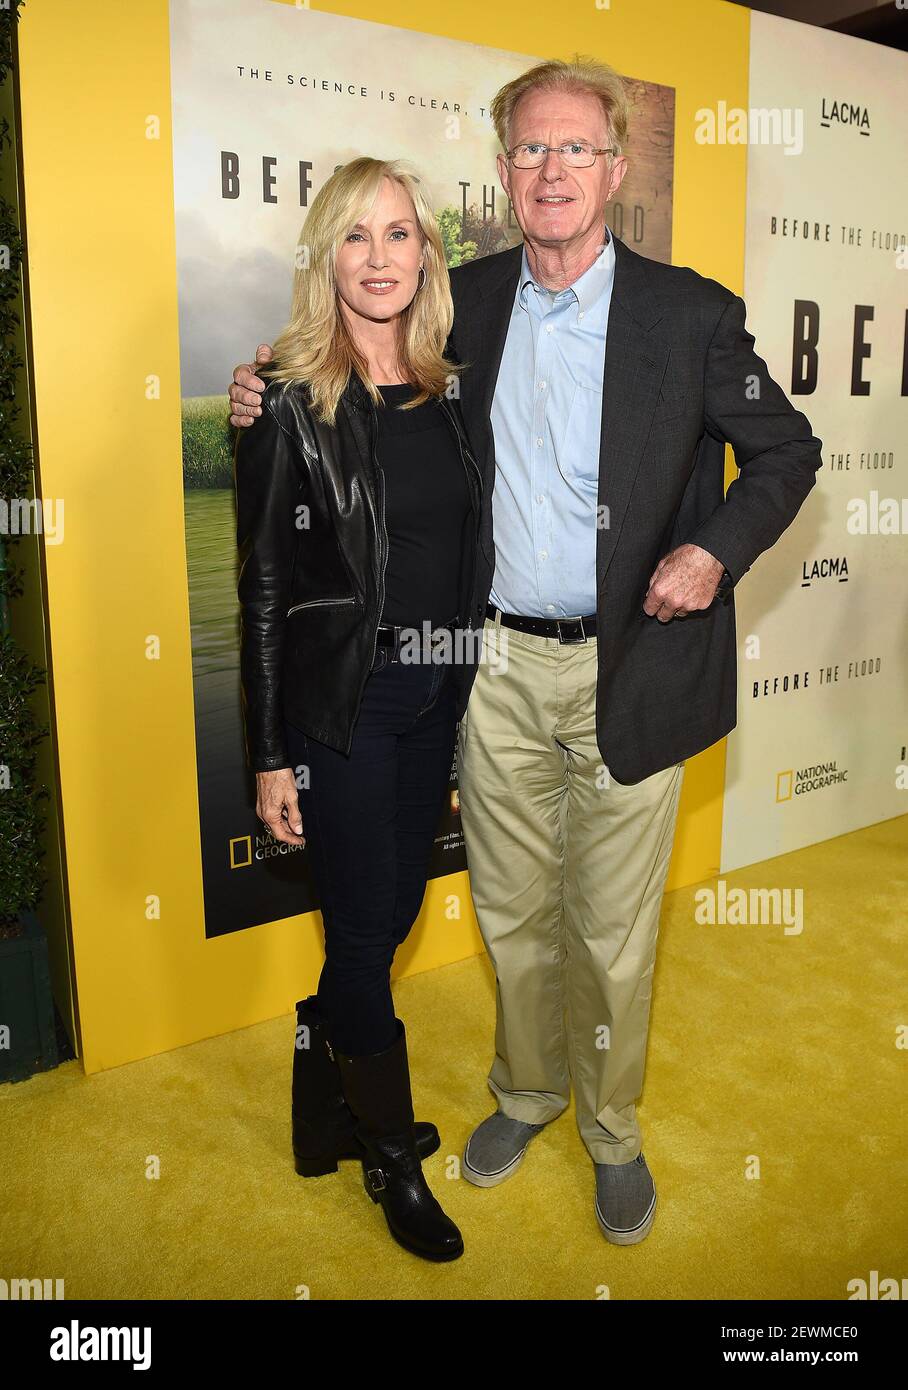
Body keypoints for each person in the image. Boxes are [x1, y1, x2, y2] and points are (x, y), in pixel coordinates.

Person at [229, 57, 822, 1247]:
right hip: (486, 671)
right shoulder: (465, 303)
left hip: (632, 668)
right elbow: (358, 396)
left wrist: (708, 554)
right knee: (507, 912)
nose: (552, 170)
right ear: (502, 174)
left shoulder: (689, 312)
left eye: (576, 150)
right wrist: (261, 390)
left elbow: (785, 451)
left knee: (608, 930)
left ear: (614, 170)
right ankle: (524, 1094)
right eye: (530, 150)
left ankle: (608, 1130)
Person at [233, 155, 485, 1262]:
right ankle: (389, 1154)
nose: (378, 257)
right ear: (325, 255)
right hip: (347, 708)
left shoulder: (451, 383)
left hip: (439, 694)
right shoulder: (287, 398)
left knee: (379, 923)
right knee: (368, 924)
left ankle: (328, 1067)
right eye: (355, 236)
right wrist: (269, 754)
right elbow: (262, 589)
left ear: (425, 250)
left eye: (398, 234)